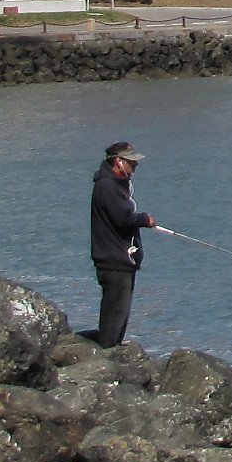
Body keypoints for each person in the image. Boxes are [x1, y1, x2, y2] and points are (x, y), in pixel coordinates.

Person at [88, 141, 155, 347]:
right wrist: (145, 219)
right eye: (131, 163)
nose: (135, 167)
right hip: (113, 261)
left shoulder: (114, 184)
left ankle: (112, 348)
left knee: (120, 312)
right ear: (118, 162)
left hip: (119, 260)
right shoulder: (107, 186)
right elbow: (123, 218)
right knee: (114, 314)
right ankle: (108, 354)